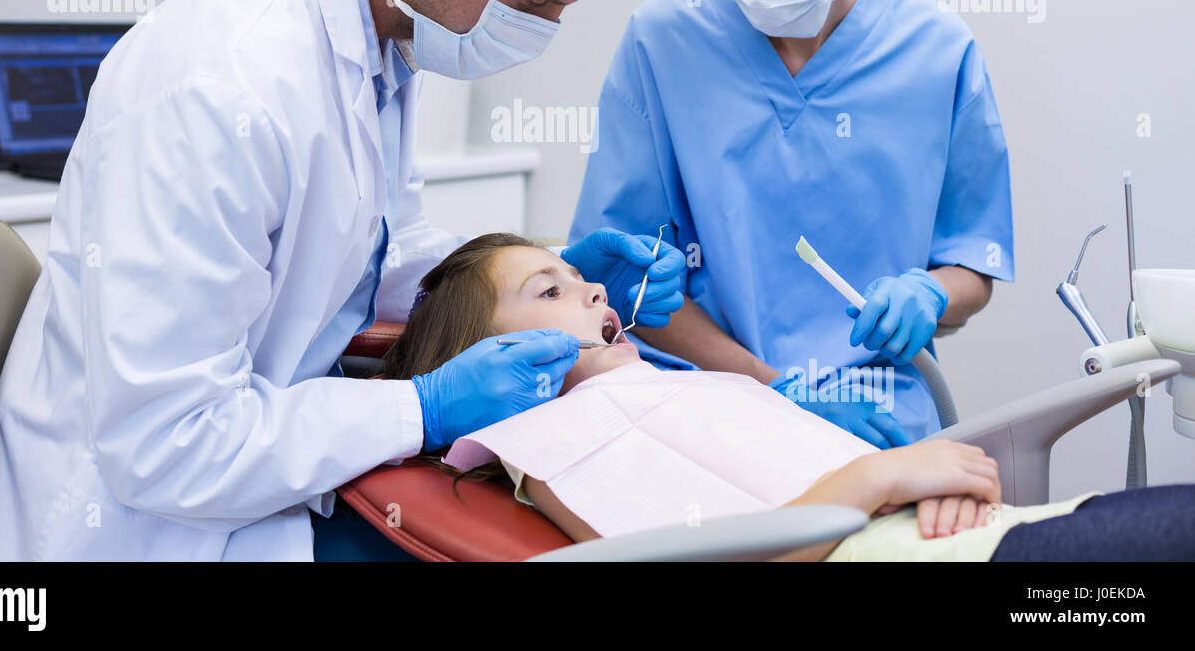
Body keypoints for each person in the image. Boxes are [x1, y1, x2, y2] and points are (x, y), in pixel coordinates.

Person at [0, 0, 685, 562]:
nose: (542, 32)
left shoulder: (385, 35)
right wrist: (421, 410)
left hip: (259, 469)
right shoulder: (220, 87)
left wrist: (539, 277)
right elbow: (164, 445)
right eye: (533, 4)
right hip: (142, 520)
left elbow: (371, 249)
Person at [568, 0, 1015, 447]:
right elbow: (630, 282)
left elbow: (972, 261)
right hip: (699, 398)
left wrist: (930, 295)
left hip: (873, 407)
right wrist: (770, 391)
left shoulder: (937, 53)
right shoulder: (664, 41)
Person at [384, 234, 1195, 561]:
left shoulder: (659, 394)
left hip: (976, 541)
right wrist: (883, 481)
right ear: (492, 364)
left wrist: (922, 481)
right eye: (550, 289)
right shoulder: (556, 437)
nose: (595, 285)